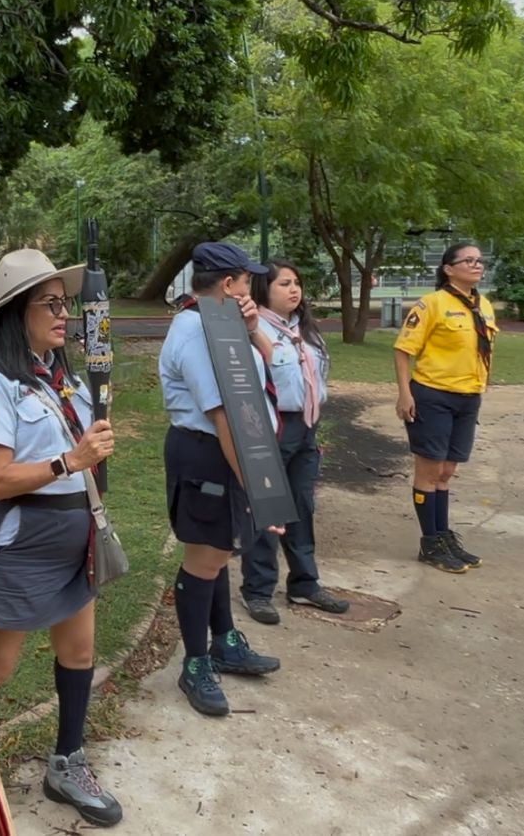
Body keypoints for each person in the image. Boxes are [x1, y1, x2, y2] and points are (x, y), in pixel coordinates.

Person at [0, 248, 121, 827]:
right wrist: (70, 460)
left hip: (74, 533)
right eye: (50, 303)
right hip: (20, 540)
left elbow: (84, 454)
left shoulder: (65, 375)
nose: (64, 314)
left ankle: (67, 762)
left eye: (66, 303)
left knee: (78, 652)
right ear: (14, 312)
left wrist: (94, 437)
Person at [160, 242, 285, 718]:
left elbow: (261, 389)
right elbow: (224, 416)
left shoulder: (227, 327)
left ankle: (225, 640)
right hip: (207, 453)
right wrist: (258, 485)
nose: (251, 288)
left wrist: (256, 332)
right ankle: (195, 663)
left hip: (230, 452)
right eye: (247, 280)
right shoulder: (195, 331)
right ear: (229, 284)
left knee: (219, 551)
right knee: (204, 557)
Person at [239, 260, 349, 625]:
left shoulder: (305, 330)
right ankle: (258, 589)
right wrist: (256, 334)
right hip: (273, 426)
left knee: (302, 505)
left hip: (306, 426)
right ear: (263, 290)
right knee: (267, 508)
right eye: (284, 283)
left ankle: (305, 582)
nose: (294, 289)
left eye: (297, 283)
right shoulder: (253, 329)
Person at [393, 243, 497, 574]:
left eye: (479, 261)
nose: (476, 265)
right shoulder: (432, 305)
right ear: (448, 269)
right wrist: (404, 393)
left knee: (447, 471)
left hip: (468, 397)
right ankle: (430, 542)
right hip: (433, 395)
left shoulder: (484, 306)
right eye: (468, 261)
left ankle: (443, 535)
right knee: (429, 470)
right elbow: (402, 350)